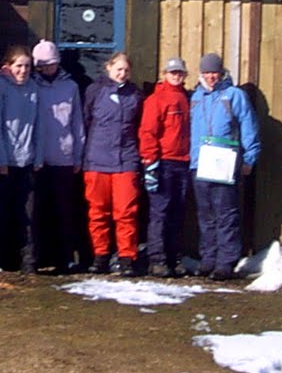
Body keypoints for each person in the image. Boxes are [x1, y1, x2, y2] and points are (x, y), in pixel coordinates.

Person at [188, 52, 260, 281]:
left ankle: (226, 262)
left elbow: (248, 126)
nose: (211, 77)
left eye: (214, 72)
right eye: (206, 72)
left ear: (221, 72)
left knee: (226, 213)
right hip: (199, 164)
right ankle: (208, 259)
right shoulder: (196, 98)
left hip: (223, 162)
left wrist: (250, 158)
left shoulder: (233, 95)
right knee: (205, 215)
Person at [82, 51, 143, 275]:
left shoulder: (135, 95)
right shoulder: (95, 91)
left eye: (126, 70)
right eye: (118, 69)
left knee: (126, 211)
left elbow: (139, 126)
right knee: (98, 212)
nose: (122, 73)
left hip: (125, 160)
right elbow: (86, 120)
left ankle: (126, 257)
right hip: (97, 160)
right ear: (108, 68)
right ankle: (101, 256)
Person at [31, 39, 85, 273]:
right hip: (38, 159)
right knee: (39, 211)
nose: (49, 68)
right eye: (44, 64)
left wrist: (77, 156)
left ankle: (64, 258)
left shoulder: (70, 87)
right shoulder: (32, 86)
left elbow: (77, 124)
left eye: (52, 64)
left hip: (64, 156)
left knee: (65, 210)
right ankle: (40, 257)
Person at [138, 56, 192, 277]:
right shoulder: (156, 100)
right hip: (163, 162)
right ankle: (157, 259)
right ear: (165, 75)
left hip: (183, 162)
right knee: (159, 212)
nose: (176, 76)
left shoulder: (187, 98)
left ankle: (174, 257)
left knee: (177, 213)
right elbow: (147, 132)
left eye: (179, 73)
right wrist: (150, 161)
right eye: (172, 73)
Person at [0, 44, 40, 273]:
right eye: (19, 65)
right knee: (2, 212)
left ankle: (28, 261)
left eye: (27, 66)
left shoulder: (33, 88)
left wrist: (37, 156)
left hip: (26, 160)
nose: (23, 71)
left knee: (27, 214)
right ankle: (1, 260)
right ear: (8, 67)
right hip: (5, 162)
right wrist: (0, 159)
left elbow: (39, 125)